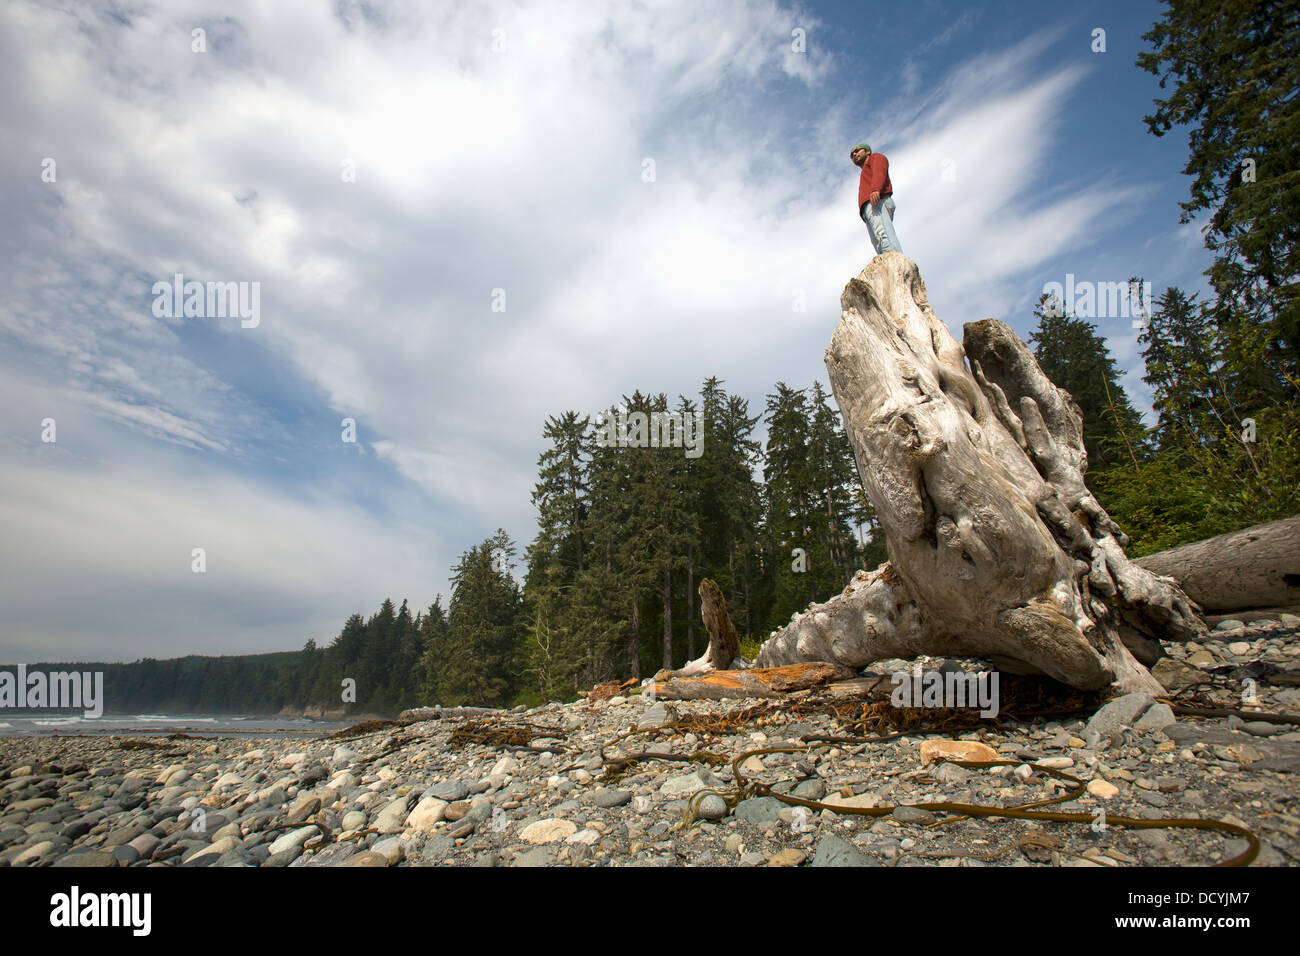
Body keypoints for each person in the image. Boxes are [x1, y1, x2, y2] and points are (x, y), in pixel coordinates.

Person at [851, 143, 903, 255]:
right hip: (869, 208)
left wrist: (875, 189)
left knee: (883, 234)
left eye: (857, 150)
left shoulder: (875, 157)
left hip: (877, 202)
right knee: (877, 240)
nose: (854, 155)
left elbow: (880, 171)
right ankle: (887, 262)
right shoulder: (864, 172)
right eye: (851, 155)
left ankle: (896, 263)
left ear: (867, 151)